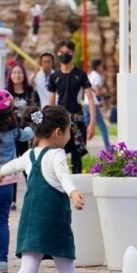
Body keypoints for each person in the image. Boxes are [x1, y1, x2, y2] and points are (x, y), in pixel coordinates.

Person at [0, 105, 95, 273]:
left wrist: (1, 173)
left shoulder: (30, 155)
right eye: (70, 130)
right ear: (58, 132)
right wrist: (73, 193)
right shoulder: (56, 154)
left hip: (31, 219)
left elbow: (11, 165)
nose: (70, 135)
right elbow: (63, 175)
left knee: (28, 268)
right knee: (66, 266)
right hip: (53, 220)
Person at [0, 88, 34, 273]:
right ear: (9, 113)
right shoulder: (13, 132)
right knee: (2, 221)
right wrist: (32, 122)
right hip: (7, 182)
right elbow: (28, 134)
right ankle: (2, 261)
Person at [47, 39, 96, 174]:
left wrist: (92, 123)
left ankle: (76, 189)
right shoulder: (54, 76)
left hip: (77, 120)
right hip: (60, 121)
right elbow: (50, 102)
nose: (64, 55)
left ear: (73, 53)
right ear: (57, 53)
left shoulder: (80, 75)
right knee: (58, 155)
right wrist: (48, 122)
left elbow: (90, 99)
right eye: (61, 52)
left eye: (67, 52)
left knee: (77, 156)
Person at [5, 61, 38, 210]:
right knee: (12, 166)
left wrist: (37, 131)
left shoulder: (31, 92)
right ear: (10, 76)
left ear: (24, 75)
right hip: (10, 134)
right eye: (14, 73)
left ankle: (32, 196)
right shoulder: (5, 94)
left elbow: (38, 114)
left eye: (19, 73)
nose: (17, 75)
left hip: (28, 134)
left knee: (28, 165)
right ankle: (11, 200)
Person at [83, 58, 110, 146]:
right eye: (101, 66)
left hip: (86, 103)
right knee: (103, 128)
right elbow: (98, 92)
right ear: (98, 67)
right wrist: (105, 93)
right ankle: (109, 150)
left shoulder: (90, 75)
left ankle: (79, 146)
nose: (102, 68)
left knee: (83, 126)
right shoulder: (97, 76)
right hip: (93, 104)